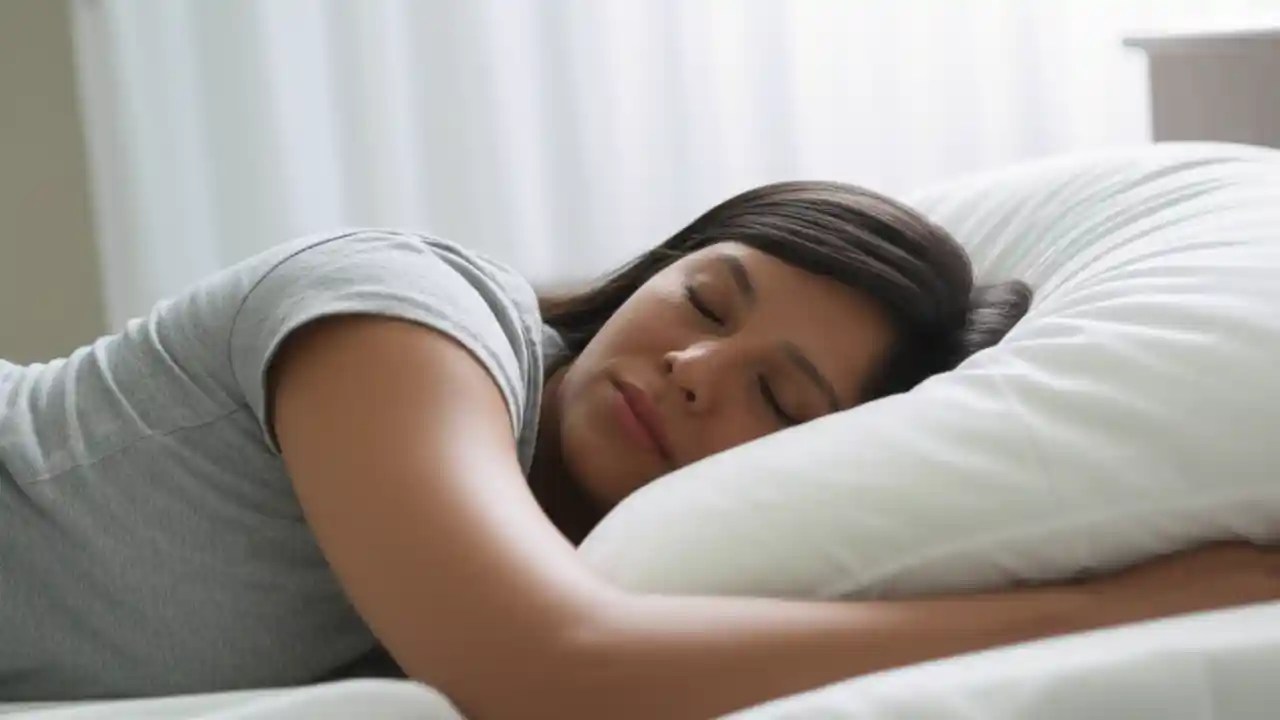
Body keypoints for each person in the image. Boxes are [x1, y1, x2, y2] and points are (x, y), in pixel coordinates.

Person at [0, 181, 1276, 717]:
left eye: (776, 401)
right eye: (703, 302)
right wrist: (1114, 608)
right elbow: (546, 668)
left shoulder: (591, 542)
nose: (693, 369)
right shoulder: (406, 313)